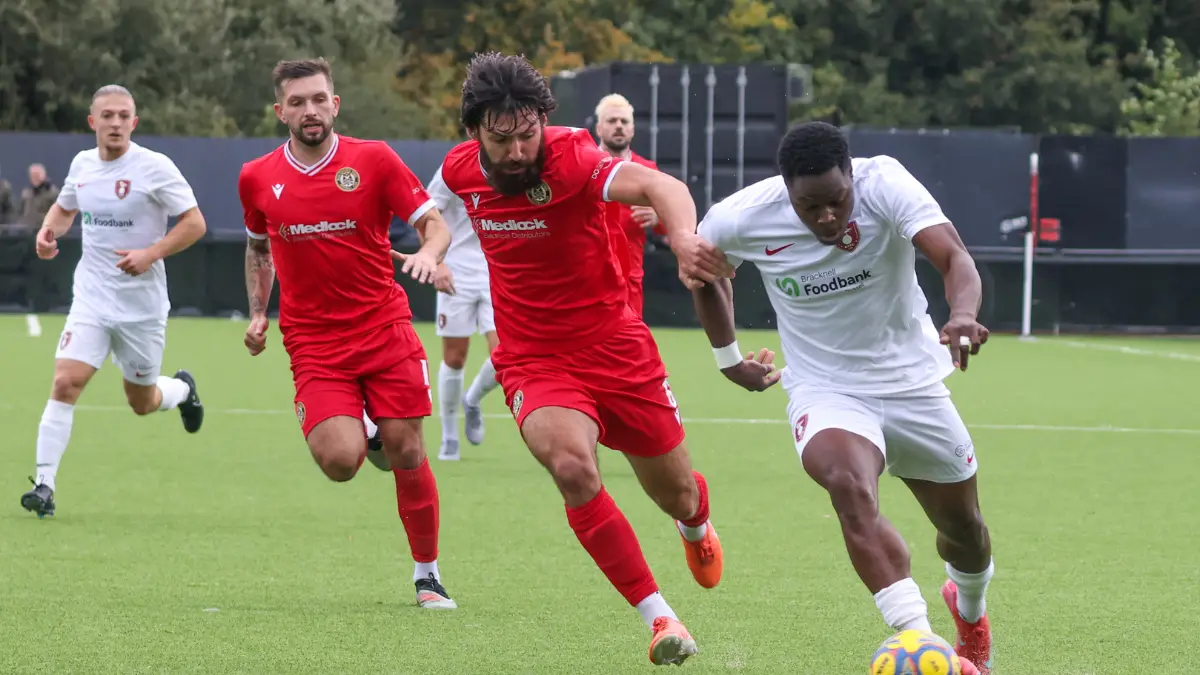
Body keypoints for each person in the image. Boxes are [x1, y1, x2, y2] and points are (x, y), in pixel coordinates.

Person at [439, 51, 731, 667]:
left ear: (543, 122)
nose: (518, 152)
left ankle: (696, 526)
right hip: (533, 359)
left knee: (678, 494)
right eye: (501, 139)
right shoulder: (459, 170)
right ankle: (660, 618)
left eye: (527, 135)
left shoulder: (571, 155)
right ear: (473, 133)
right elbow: (429, 215)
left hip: (615, 348)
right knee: (573, 468)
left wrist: (682, 237)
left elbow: (661, 186)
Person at [689, 121, 992, 674]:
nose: (827, 216)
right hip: (826, 389)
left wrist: (964, 315)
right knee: (848, 486)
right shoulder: (739, 217)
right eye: (810, 207)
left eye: (837, 200)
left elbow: (953, 256)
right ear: (786, 191)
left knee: (965, 532)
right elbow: (706, 273)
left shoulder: (886, 184)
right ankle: (921, 639)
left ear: (852, 176)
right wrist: (729, 360)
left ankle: (969, 612)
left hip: (914, 383)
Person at [236, 58, 457, 610]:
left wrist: (430, 255)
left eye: (318, 99)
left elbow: (435, 226)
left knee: (408, 448)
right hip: (315, 343)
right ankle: (369, 435)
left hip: (384, 328)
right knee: (339, 462)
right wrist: (259, 312)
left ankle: (427, 575)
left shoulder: (374, 159)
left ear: (335, 104)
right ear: (280, 111)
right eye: (297, 102)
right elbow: (259, 248)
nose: (309, 110)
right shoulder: (256, 177)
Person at [21, 85, 207, 518]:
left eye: (124, 116)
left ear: (134, 123)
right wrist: (48, 232)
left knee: (141, 402)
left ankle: (182, 390)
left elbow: (195, 223)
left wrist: (151, 253)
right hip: (92, 299)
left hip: (141, 309)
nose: (116, 123)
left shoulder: (154, 167)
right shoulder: (82, 164)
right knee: (65, 382)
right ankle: (45, 485)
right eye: (108, 115)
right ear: (93, 122)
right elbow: (64, 208)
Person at [424, 161, 501, 461]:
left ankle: (473, 399)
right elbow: (426, 217)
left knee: (505, 354)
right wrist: (438, 263)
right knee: (454, 357)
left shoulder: (516, 162)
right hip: (456, 271)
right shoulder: (453, 168)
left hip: (499, 272)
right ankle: (449, 438)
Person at [594, 94, 664, 318]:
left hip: (629, 281)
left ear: (632, 130)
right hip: (587, 276)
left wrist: (658, 215)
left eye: (624, 121)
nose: (618, 126)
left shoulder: (647, 170)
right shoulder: (583, 165)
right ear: (598, 128)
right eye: (611, 121)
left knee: (631, 337)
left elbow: (670, 226)